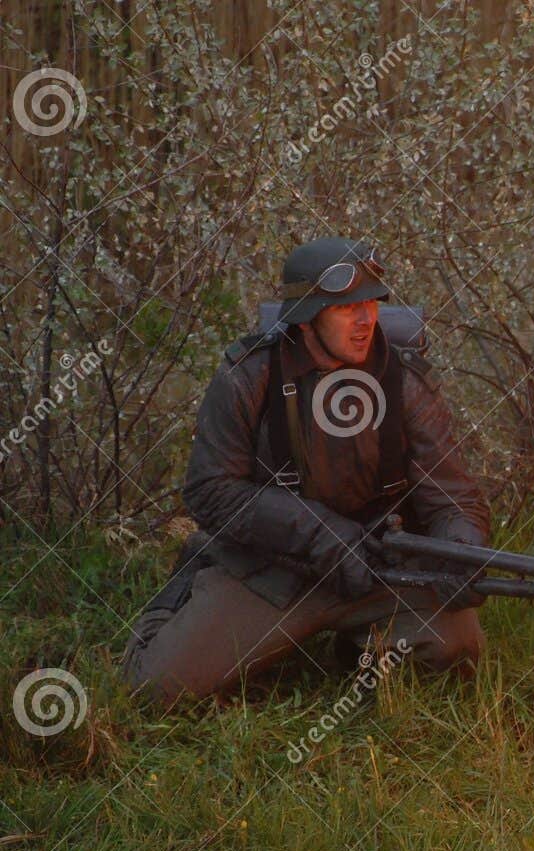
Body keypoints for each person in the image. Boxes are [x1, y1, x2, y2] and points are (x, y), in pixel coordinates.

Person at [121, 236, 491, 705]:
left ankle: (354, 648)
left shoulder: (403, 379)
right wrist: (317, 535)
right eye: (345, 309)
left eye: (372, 304)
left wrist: (459, 549)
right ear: (307, 315)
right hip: (271, 568)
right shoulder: (249, 377)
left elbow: (453, 497)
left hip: (375, 568)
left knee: (456, 648)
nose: (365, 321)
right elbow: (209, 491)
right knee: (158, 690)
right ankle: (180, 603)